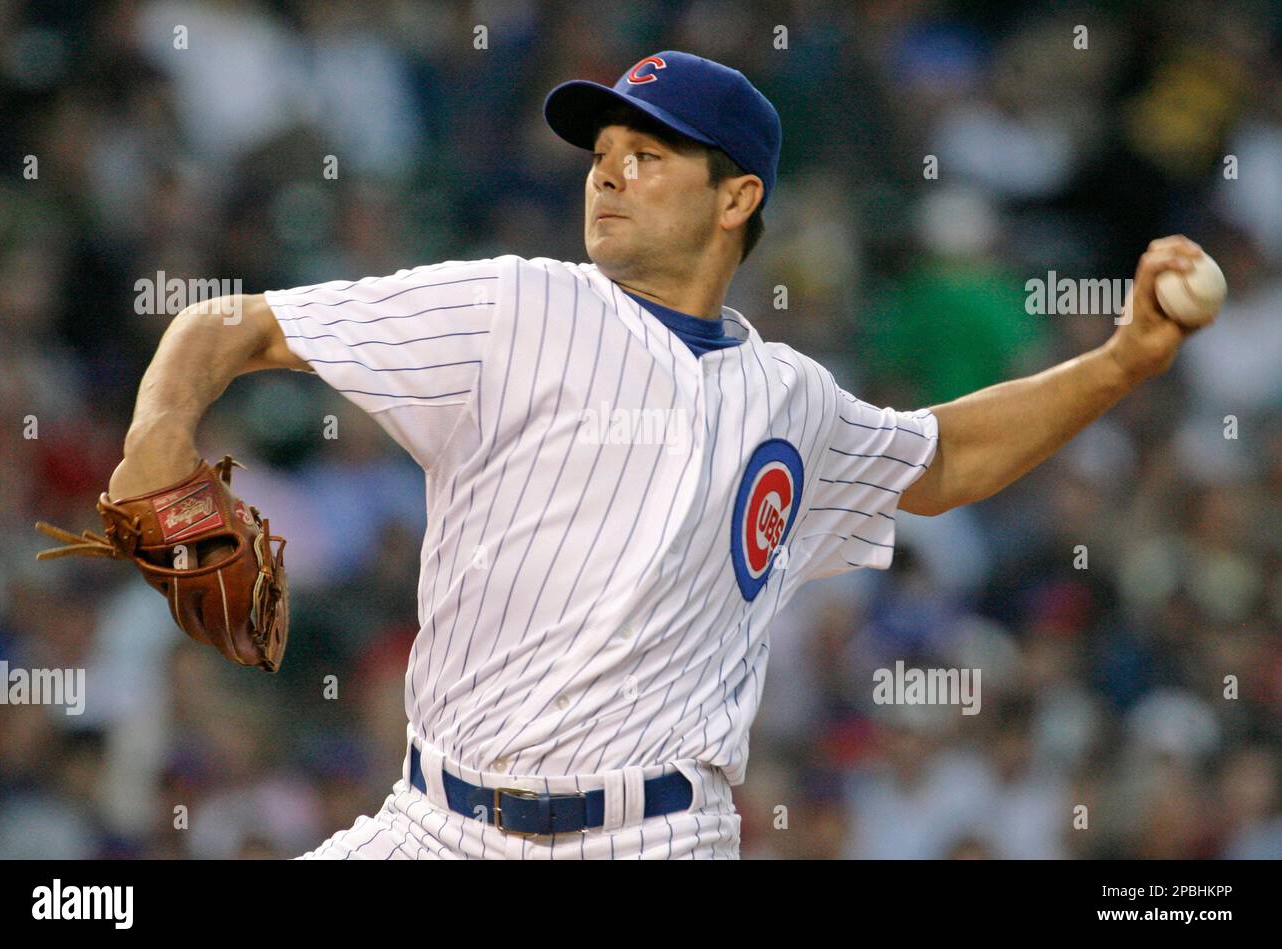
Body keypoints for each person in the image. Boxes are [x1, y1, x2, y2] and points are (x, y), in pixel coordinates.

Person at [106, 51, 1213, 859]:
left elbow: (946, 459)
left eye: (649, 154)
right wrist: (159, 429)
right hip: (433, 823)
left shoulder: (791, 398)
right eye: (602, 154)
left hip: (655, 836)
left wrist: (1120, 364)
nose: (608, 174)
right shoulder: (513, 306)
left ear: (737, 198)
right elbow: (231, 326)